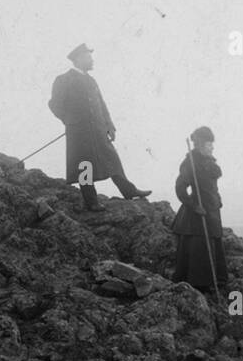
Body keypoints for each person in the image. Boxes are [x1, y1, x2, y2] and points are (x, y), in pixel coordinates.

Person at [47, 44, 150, 211]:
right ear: (79, 58)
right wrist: (70, 120)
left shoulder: (91, 80)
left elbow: (102, 105)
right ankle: (91, 202)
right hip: (78, 133)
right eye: (89, 57)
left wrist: (110, 126)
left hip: (98, 131)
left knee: (112, 159)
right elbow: (54, 105)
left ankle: (129, 191)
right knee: (84, 165)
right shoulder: (63, 79)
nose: (92, 60)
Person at [171, 126, 227, 293]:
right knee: (198, 248)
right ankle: (200, 285)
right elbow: (180, 188)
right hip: (196, 215)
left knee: (213, 243)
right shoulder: (190, 162)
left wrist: (218, 200)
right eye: (209, 144)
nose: (212, 147)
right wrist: (195, 206)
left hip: (212, 212)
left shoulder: (209, 162)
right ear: (200, 144)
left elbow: (212, 187)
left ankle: (214, 281)